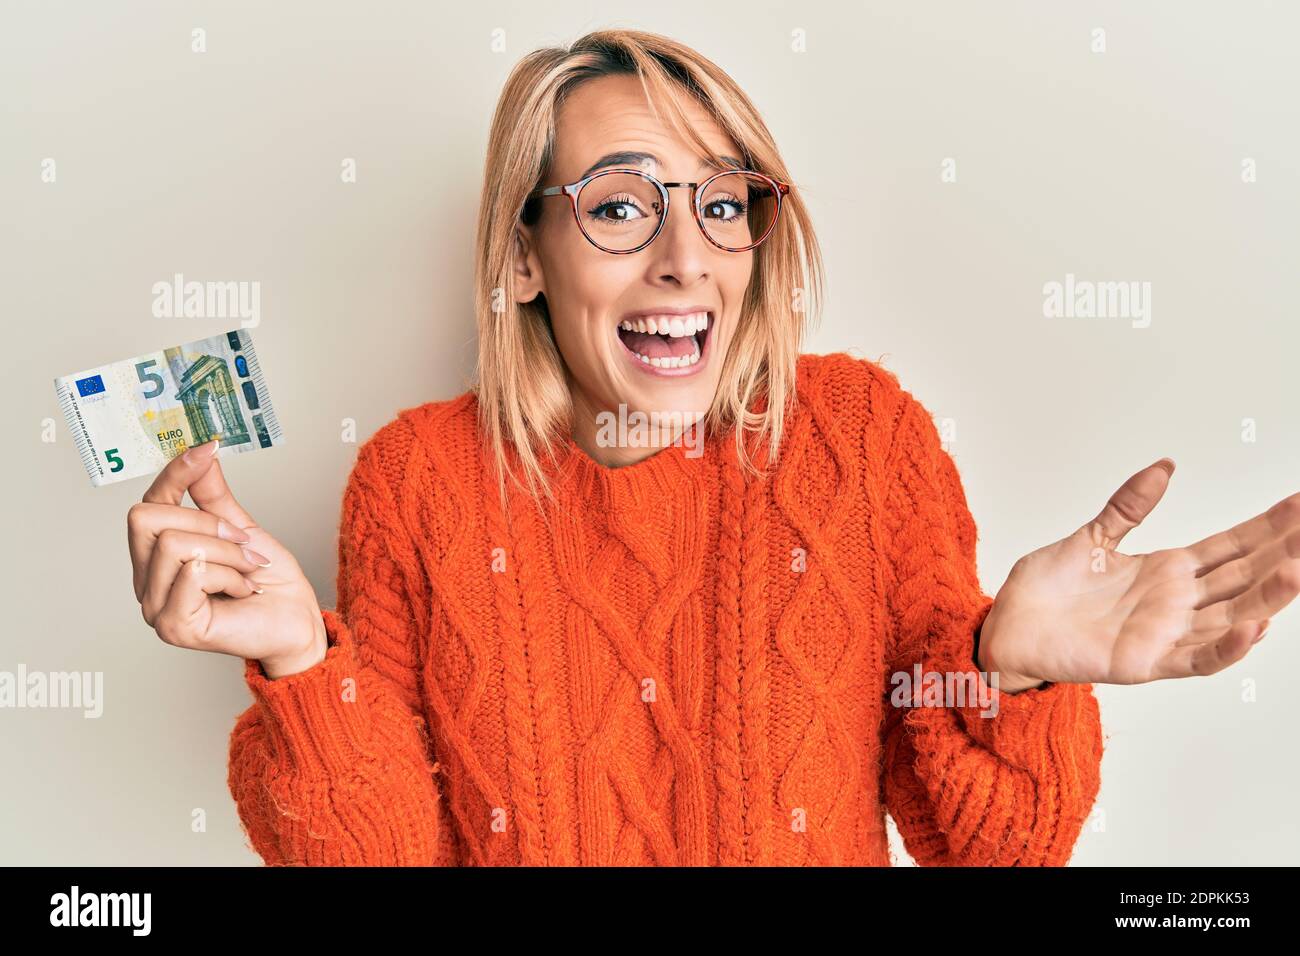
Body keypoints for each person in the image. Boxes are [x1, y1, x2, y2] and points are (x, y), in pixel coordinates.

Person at [126, 29, 1296, 867]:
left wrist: (1003, 669)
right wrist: (296, 663)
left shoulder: (857, 439)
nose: (688, 257)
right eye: (622, 205)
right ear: (522, 255)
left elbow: (989, 848)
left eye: (723, 203)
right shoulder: (419, 480)